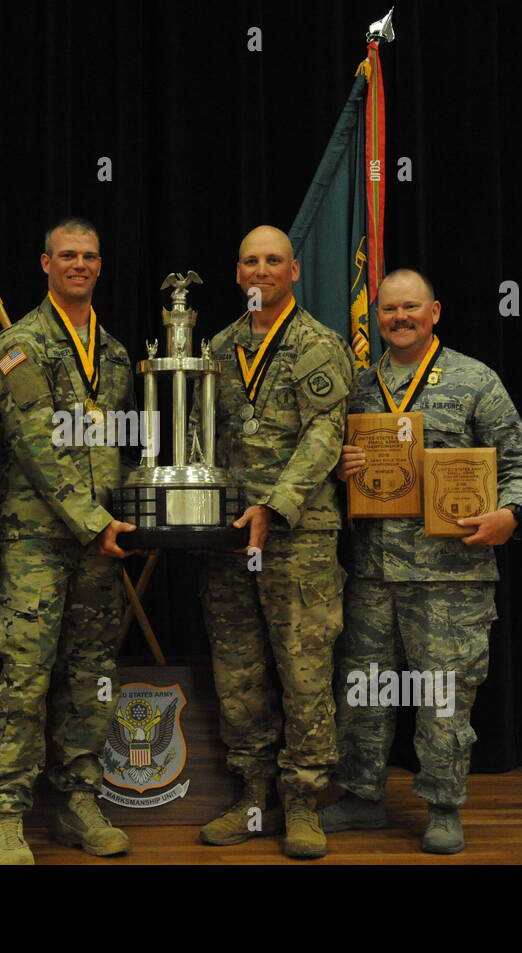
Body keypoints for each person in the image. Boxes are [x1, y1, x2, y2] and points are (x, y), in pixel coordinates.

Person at [326, 267, 522, 853]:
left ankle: (444, 805)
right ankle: (361, 796)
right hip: (372, 573)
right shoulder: (359, 387)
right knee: (363, 693)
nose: (400, 318)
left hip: (453, 577)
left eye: (411, 308)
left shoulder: (476, 381)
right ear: (378, 316)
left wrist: (511, 516)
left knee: (444, 698)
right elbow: (333, 477)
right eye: (389, 309)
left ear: (435, 312)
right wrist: (341, 472)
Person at [0, 217, 137, 864]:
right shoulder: (15, 347)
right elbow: (37, 445)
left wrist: (132, 516)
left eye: (89, 256)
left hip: (102, 544)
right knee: (25, 672)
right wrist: (95, 521)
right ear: (45, 263)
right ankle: (7, 813)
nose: (79, 264)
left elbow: (116, 451)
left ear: (100, 265)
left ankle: (78, 799)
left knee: (91, 673)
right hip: (36, 540)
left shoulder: (119, 354)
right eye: (67, 255)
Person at [194, 225, 354, 859]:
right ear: (238, 274)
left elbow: (324, 439)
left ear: (293, 271)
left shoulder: (319, 345)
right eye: (250, 262)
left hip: (298, 537)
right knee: (239, 672)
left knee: (305, 672)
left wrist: (274, 506)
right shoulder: (219, 346)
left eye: (273, 261)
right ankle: (253, 796)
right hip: (230, 538)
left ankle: (304, 801)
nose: (261, 271)